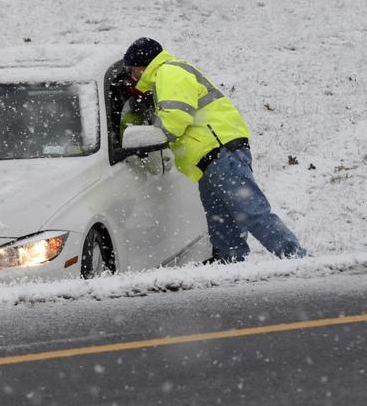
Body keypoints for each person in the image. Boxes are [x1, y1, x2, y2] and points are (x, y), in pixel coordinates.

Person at [122, 37, 307, 262]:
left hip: (221, 152)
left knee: (251, 212)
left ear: (143, 65)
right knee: (221, 223)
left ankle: (298, 260)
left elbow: (175, 120)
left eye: (132, 70)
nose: (132, 76)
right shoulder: (165, 75)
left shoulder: (169, 72)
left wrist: (150, 129)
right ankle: (230, 266)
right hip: (210, 159)